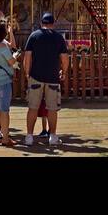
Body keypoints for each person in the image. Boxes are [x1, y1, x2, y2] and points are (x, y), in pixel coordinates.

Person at [22, 12, 69, 147]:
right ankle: (52, 136)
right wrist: (64, 72)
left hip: (36, 76)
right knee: (52, 108)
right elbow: (65, 58)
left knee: (32, 107)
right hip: (52, 77)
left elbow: (27, 56)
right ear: (53, 24)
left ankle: (29, 136)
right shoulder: (58, 38)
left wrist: (27, 73)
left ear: (41, 23)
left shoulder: (34, 36)